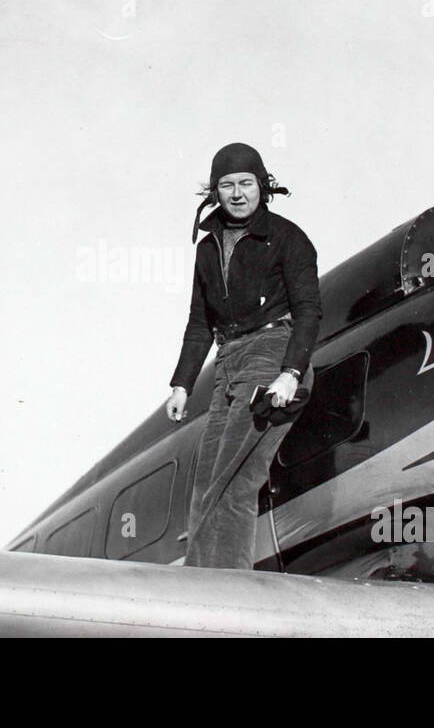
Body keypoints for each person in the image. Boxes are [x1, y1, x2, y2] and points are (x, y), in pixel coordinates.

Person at [165, 142, 322, 569]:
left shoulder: (288, 238)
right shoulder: (207, 249)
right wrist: (181, 383)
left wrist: (291, 372)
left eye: (246, 183)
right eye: (227, 185)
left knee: (234, 484)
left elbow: (309, 310)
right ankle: (202, 592)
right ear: (214, 191)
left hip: (272, 353)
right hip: (226, 363)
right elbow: (200, 323)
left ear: (263, 186)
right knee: (205, 487)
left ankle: (226, 597)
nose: (237, 193)